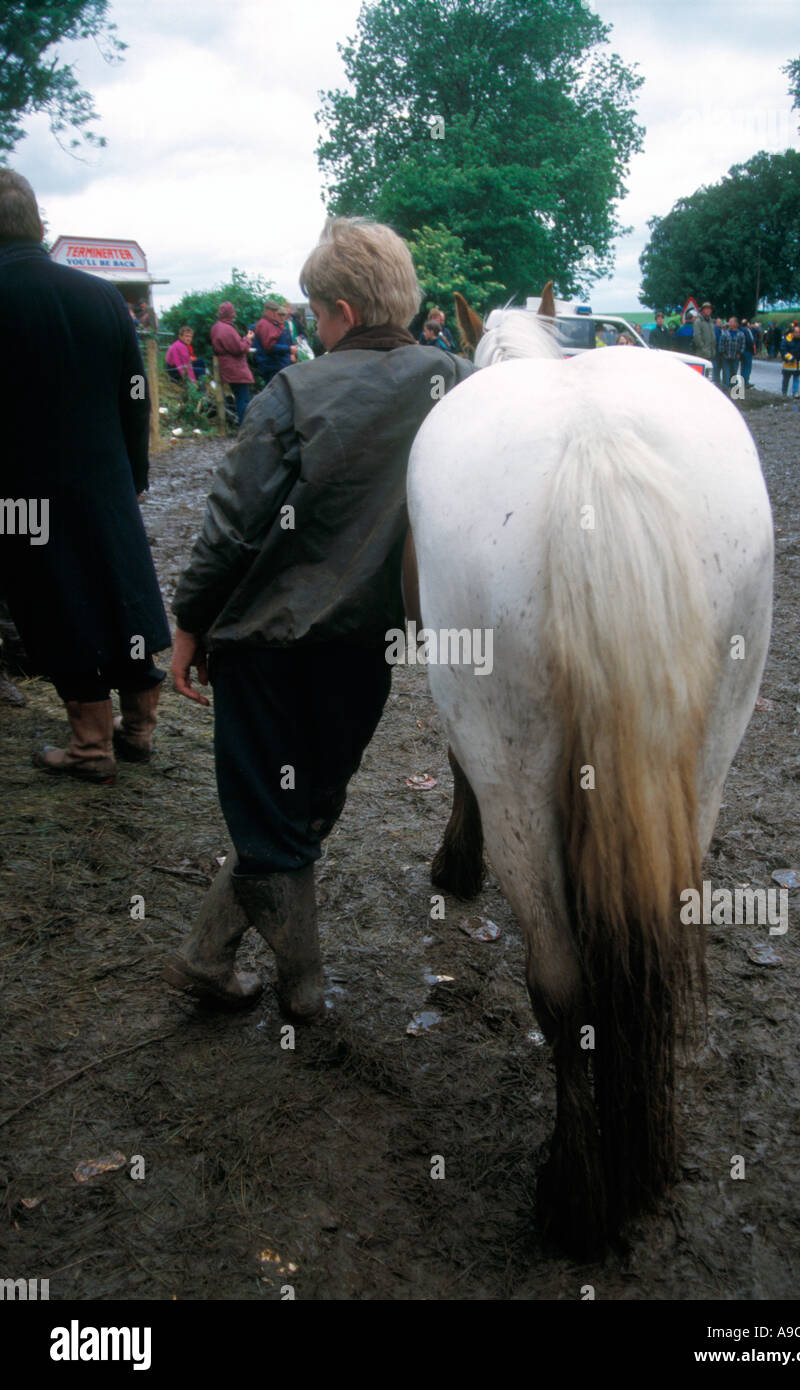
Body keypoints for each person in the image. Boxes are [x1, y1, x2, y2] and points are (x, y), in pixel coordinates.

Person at [163, 217, 476, 1018]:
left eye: (312, 310)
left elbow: (232, 524)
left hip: (265, 643)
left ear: (337, 309)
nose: (309, 324)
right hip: (364, 644)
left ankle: (291, 986)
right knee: (304, 806)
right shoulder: (455, 379)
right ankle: (228, 964)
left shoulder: (293, 391)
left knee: (278, 819)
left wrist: (189, 621)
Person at [0, 170, 170, 780]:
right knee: (117, 592)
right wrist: (135, 472)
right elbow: (136, 395)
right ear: (39, 223)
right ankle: (141, 728)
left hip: (20, 493)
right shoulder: (100, 295)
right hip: (106, 481)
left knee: (57, 602)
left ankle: (91, 748)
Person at [210, 302, 255, 425]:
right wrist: (248, 339)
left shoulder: (216, 327)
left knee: (239, 397)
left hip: (226, 366)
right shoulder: (227, 329)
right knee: (243, 399)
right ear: (231, 313)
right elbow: (239, 348)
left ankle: (243, 427)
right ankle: (245, 428)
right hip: (236, 368)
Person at [252, 301, 296, 384]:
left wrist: (291, 353)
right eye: (273, 311)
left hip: (277, 366)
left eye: (276, 311)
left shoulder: (272, 324)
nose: (276, 314)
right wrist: (288, 349)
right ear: (266, 311)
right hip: (271, 367)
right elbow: (269, 347)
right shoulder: (264, 325)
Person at [717, 316, 745, 394]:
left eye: (731, 322)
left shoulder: (741, 334)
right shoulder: (725, 333)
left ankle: (733, 388)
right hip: (726, 356)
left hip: (735, 357)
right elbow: (721, 344)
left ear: (736, 324)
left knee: (734, 372)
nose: (729, 323)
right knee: (726, 372)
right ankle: (725, 388)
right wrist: (722, 353)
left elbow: (742, 345)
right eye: (729, 321)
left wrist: (739, 353)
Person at [692, 300, 717, 381]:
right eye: (706, 309)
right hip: (702, 353)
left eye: (709, 309)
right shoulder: (698, 322)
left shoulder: (711, 322)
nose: (708, 310)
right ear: (702, 310)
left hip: (711, 353)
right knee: (701, 376)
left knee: (708, 376)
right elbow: (697, 337)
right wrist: (703, 348)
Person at [780, 323, 800, 398]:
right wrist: (791, 358)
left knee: (796, 379)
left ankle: (795, 392)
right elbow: (783, 350)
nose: (797, 334)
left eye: (799, 332)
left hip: (797, 365)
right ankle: (784, 393)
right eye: (796, 332)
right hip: (788, 364)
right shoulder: (786, 340)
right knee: (786, 380)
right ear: (792, 332)